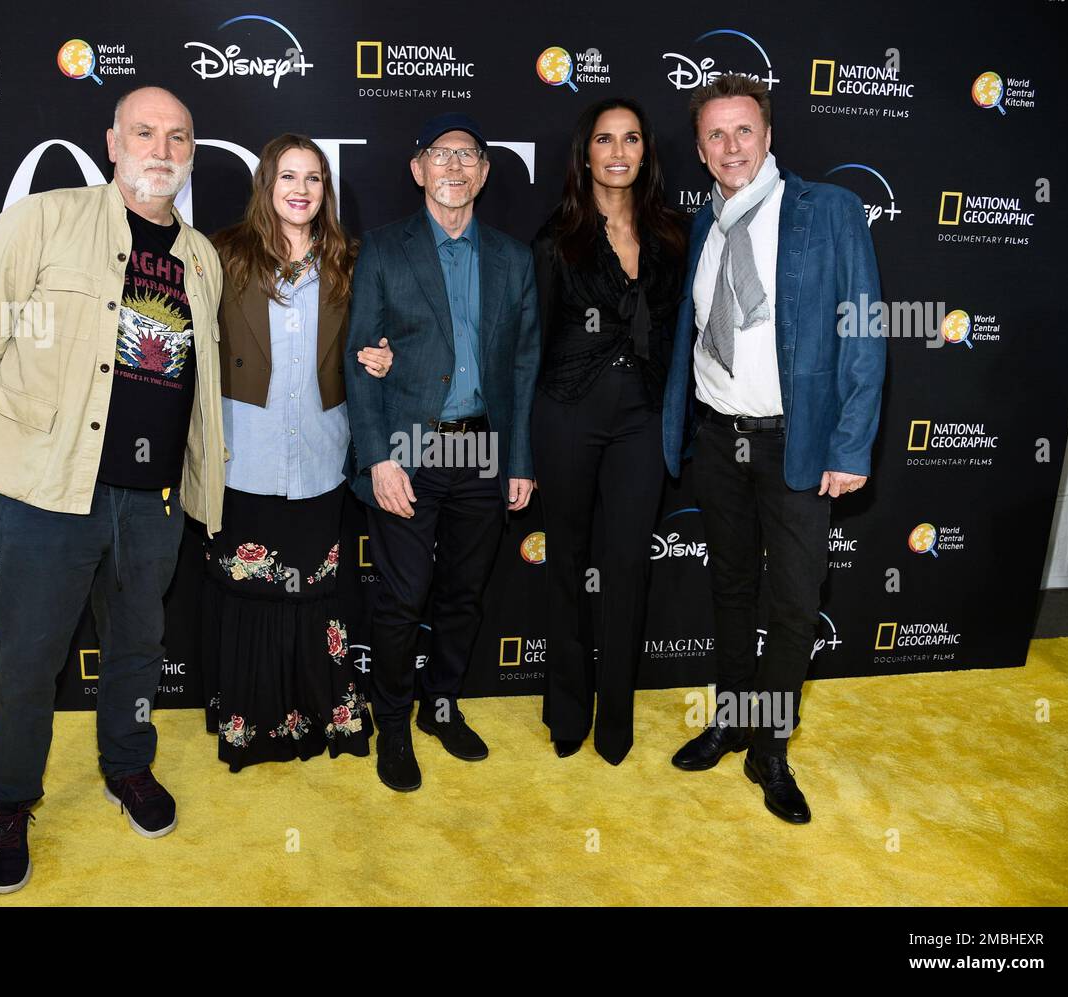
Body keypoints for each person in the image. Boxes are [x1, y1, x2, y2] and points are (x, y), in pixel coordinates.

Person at [0, 86, 224, 893]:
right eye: (145, 132)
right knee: (30, 657)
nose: (161, 148)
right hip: (50, 492)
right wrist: (28, 422)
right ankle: (9, 802)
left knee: (138, 649)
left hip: (154, 500)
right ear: (113, 141)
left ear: (191, 153)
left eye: (177, 137)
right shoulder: (47, 219)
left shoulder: (200, 257)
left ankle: (128, 768)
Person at [662, 75, 885, 823]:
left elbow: (861, 330)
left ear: (767, 136)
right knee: (728, 590)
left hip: (797, 443)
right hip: (720, 440)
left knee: (792, 604)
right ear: (700, 149)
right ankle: (730, 718)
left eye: (743, 131)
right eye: (716, 135)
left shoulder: (828, 212)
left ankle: (769, 746)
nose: (731, 147)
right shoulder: (704, 224)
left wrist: (850, 443)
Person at [344, 112, 541, 792]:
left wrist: (520, 459)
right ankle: (393, 722)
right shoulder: (383, 249)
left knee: (463, 594)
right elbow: (358, 357)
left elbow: (524, 366)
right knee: (401, 600)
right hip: (408, 444)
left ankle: (443, 705)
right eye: (441, 155)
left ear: (485, 172)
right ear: (418, 169)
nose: (454, 167)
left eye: (468, 157)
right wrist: (379, 456)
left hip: (484, 449)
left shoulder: (514, 259)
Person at [203, 134, 394, 770]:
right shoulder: (224, 255)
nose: (302, 189)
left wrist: (383, 356)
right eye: (289, 176)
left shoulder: (350, 260)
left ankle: (321, 713)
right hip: (245, 457)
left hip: (320, 454)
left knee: (316, 593)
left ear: (325, 191)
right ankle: (251, 723)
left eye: (314, 178)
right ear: (267, 185)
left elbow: (377, 341)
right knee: (250, 593)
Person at [532, 97, 686, 765]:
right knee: (565, 561)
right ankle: (568, 708)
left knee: (626, 566)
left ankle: (616, 715)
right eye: (604, 139)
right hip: (567, 411)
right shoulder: (556, 239)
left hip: (641, 420)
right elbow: (530, 345)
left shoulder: (673, 237)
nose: (618, 151)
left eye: (630, 139)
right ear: (584, 153)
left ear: (645, 152)